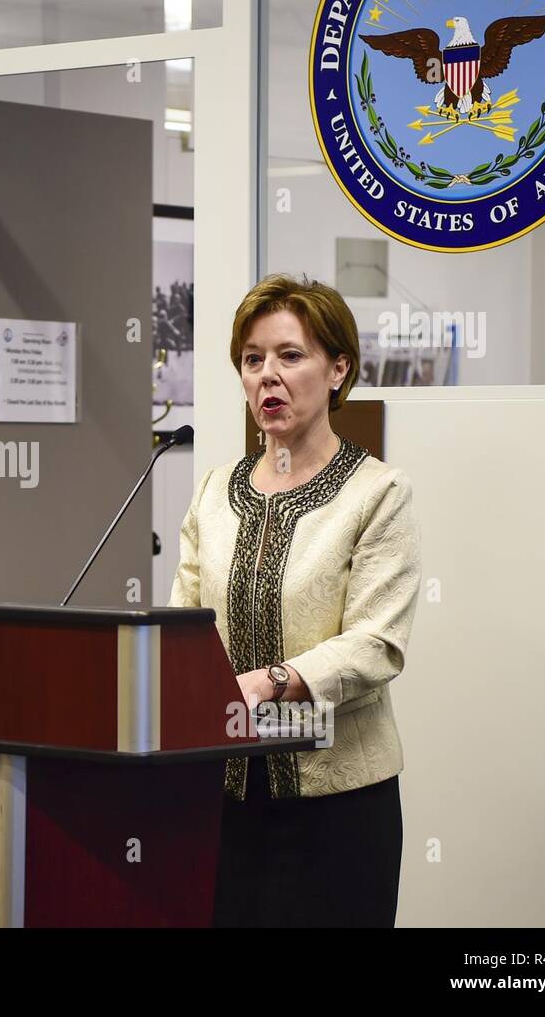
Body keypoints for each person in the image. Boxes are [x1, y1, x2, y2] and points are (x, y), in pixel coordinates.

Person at [168, 275, 421, 928]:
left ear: (338, 369)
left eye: (290, 355)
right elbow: (180, 627)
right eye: (253, 360)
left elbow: (377, 643)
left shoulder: (378, 494)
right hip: (222, 796)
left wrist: (276, 680)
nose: (267, 377)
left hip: (338, 806)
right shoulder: (213, 492)